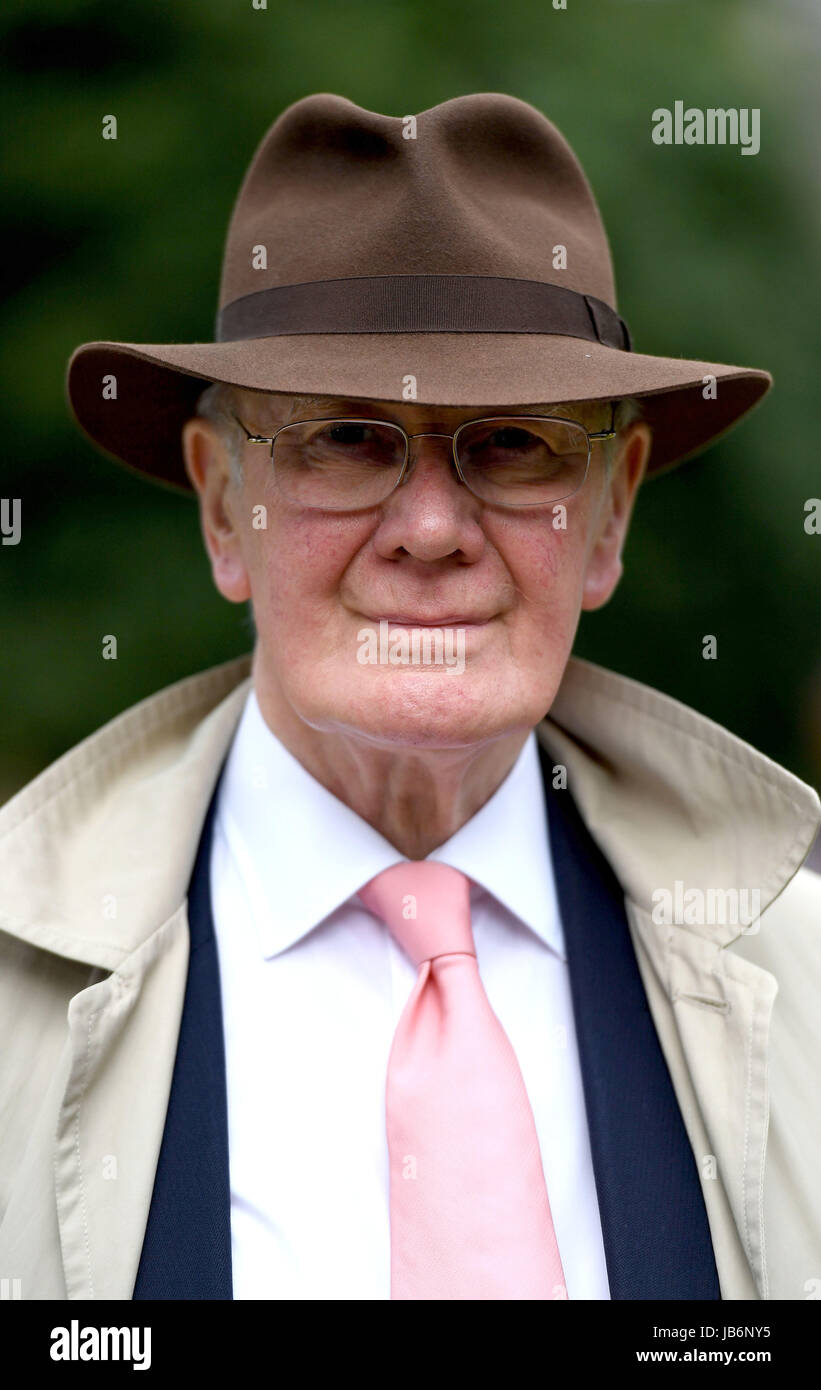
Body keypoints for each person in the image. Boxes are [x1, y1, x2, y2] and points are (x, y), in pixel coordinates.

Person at [1, 92, 818, 1302]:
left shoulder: (801, 985)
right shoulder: (18, 994)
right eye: (341, 439)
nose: (430, 529)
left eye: (512, 445)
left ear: (609, 513)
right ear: (225, 506)